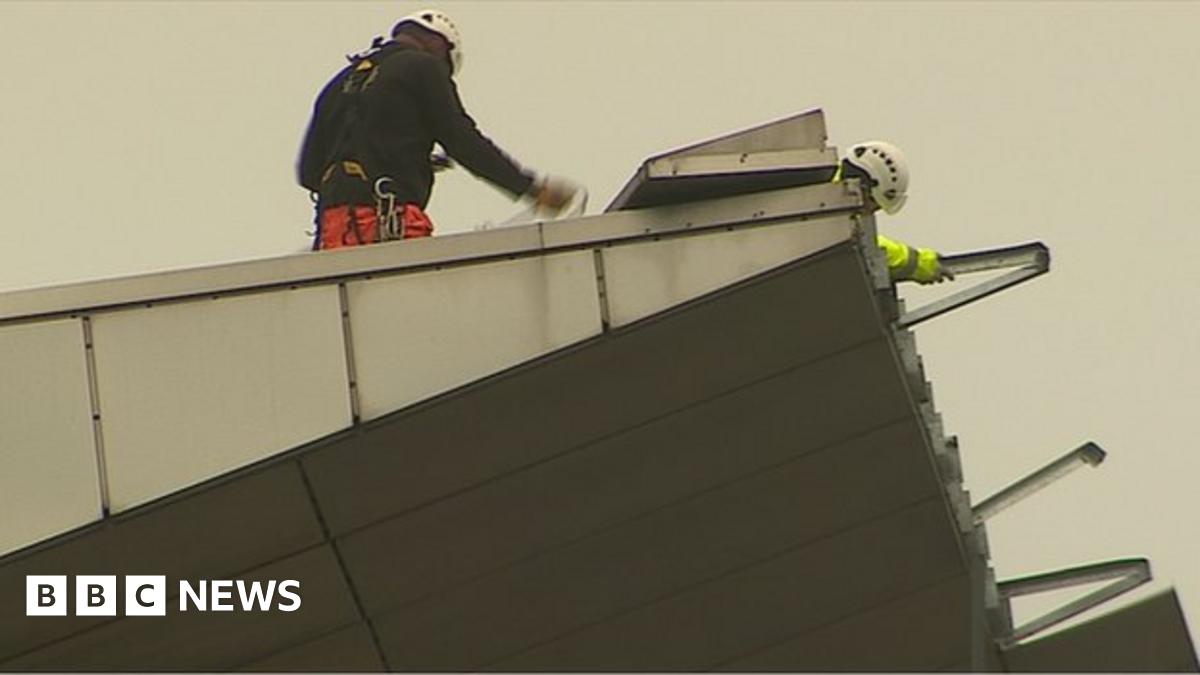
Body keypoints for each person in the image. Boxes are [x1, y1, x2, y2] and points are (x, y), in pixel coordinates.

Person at [297, 9, 576, 250]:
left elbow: (309, 172)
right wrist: (530, 188)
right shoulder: (424, 67)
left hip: (335, 228)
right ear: (441, 46)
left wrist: (399, 155)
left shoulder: (339, 84)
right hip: (386, 222)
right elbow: (463, 141)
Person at [835, 141, 953, 284]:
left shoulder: (822, 196)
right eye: (874, 204)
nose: (871, 212)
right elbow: (863, 244)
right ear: (862, 189)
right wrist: (916, 263)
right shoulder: (819, 209)